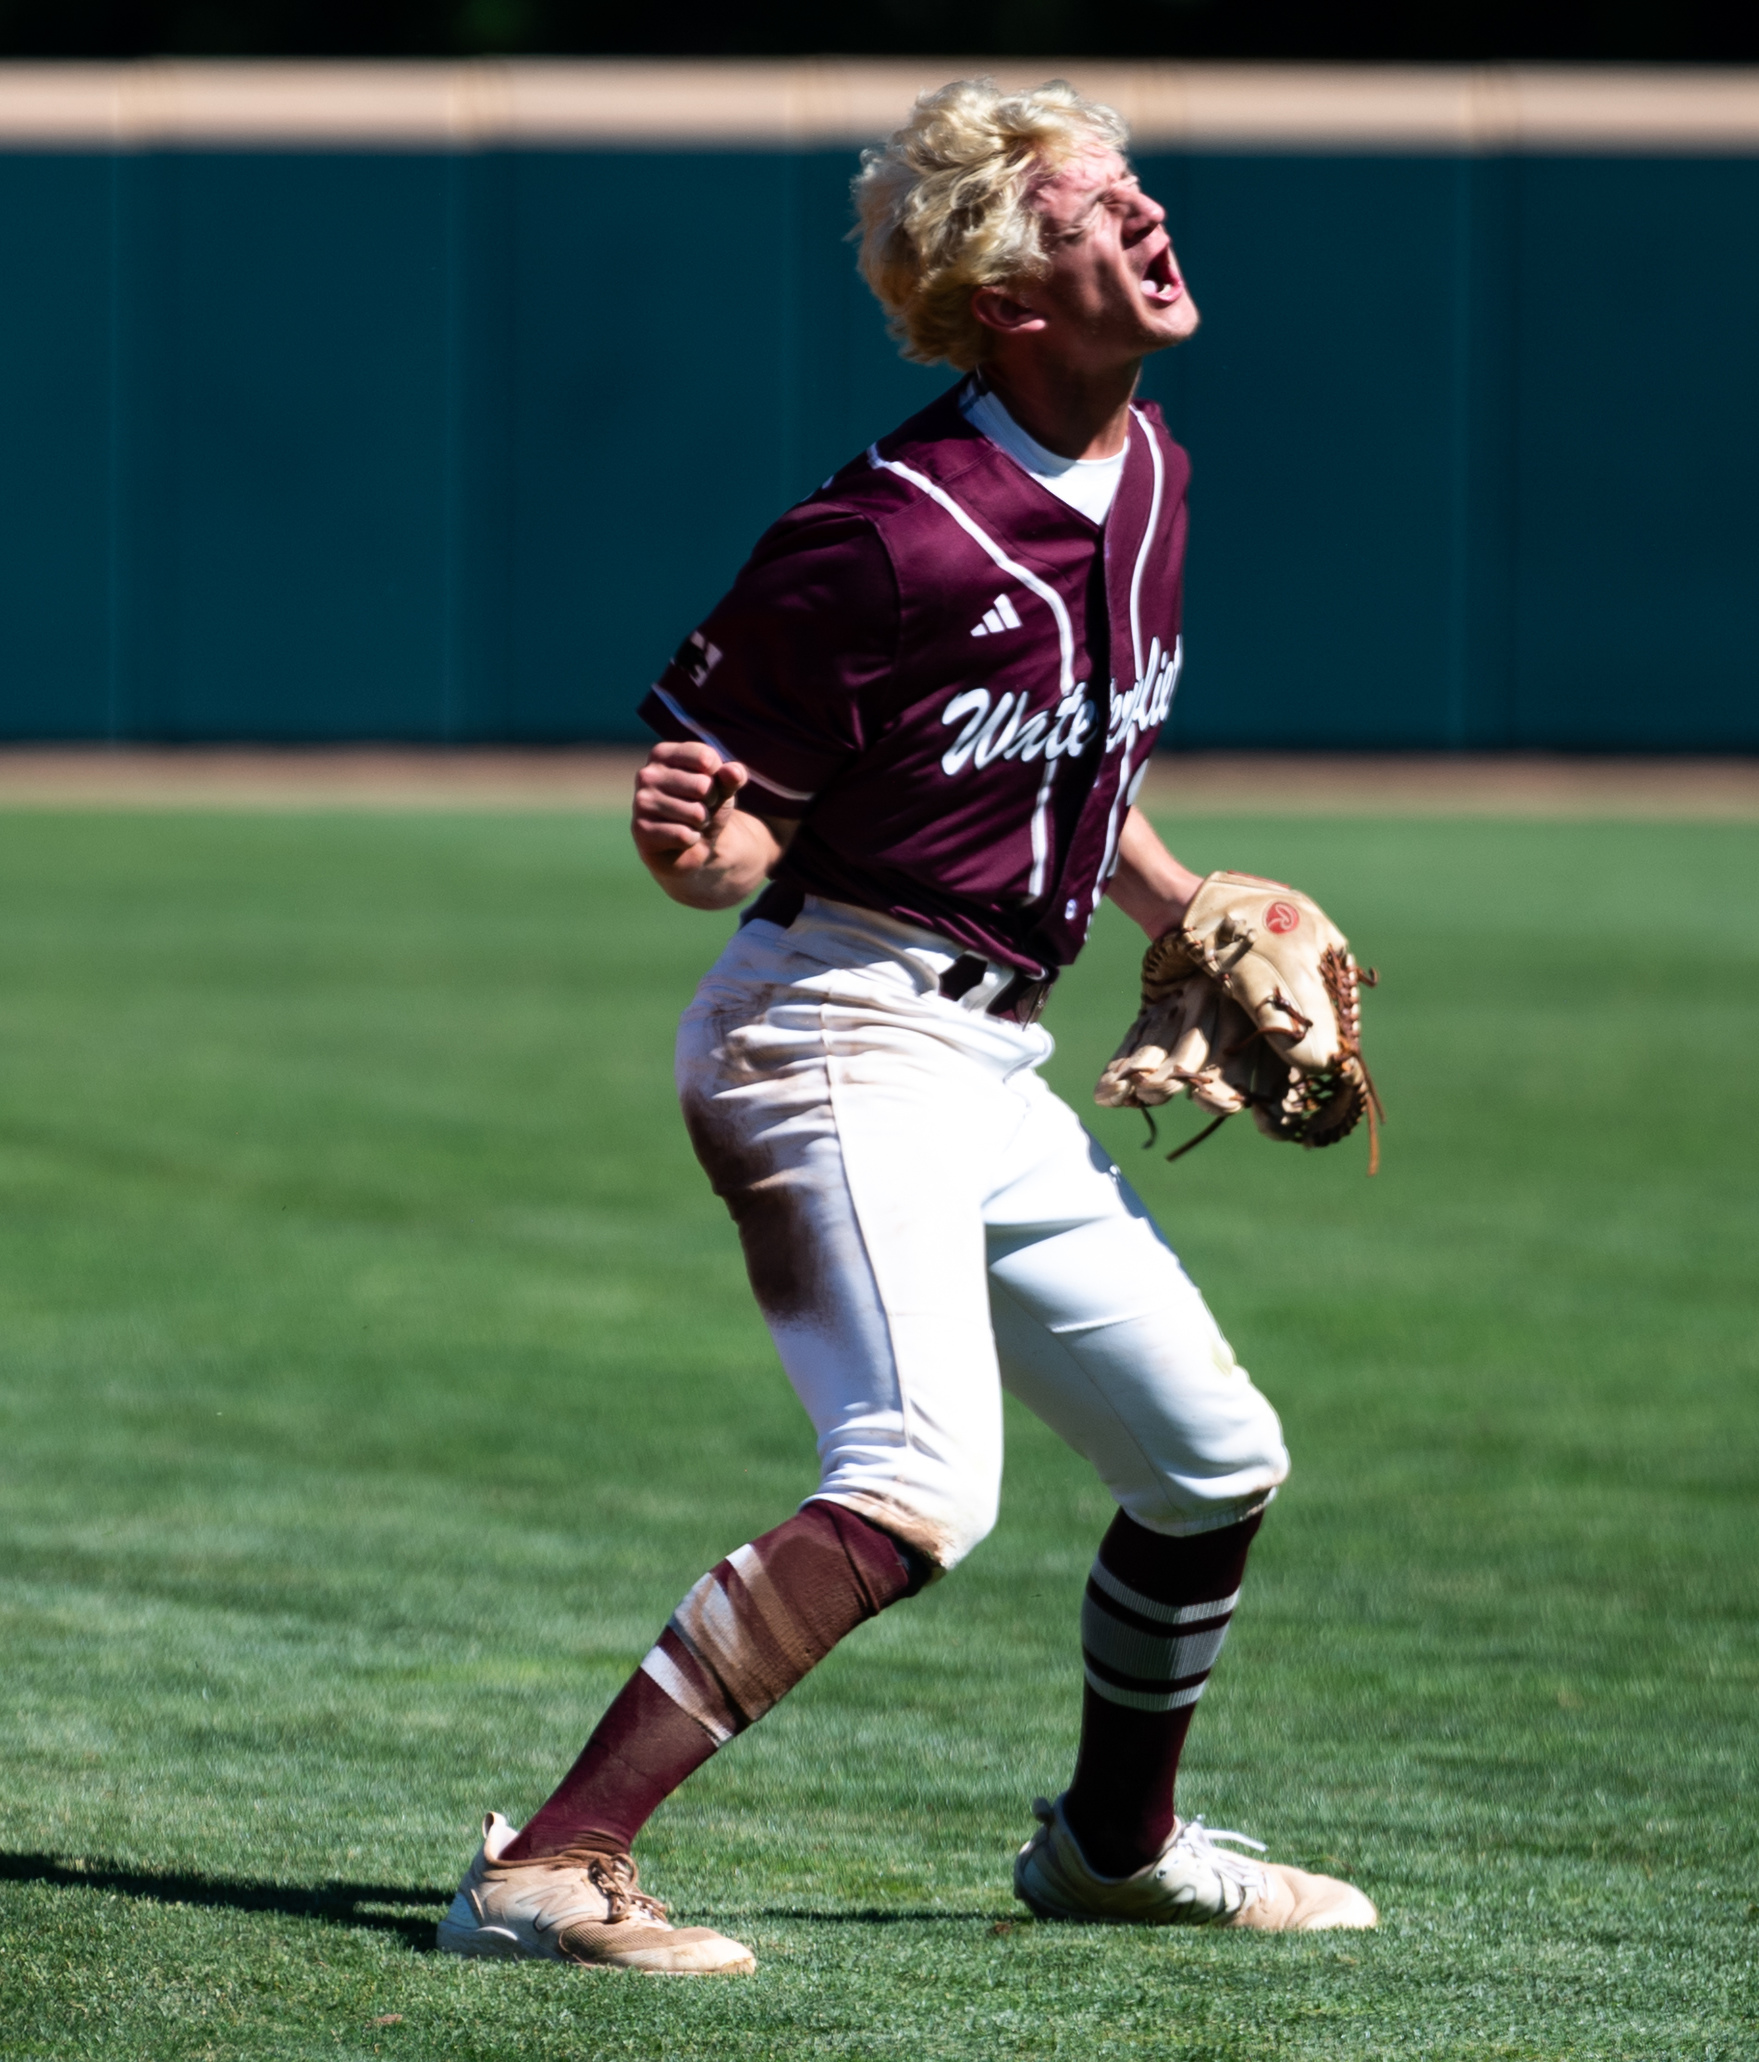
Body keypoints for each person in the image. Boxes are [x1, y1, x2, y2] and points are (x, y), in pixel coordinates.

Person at [433, 77, 1376, 1975]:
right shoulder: (884, 536)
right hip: (830, 1030)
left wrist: (1182, 907)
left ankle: (1114, 1849)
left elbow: (1081, 767)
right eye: (1095, 206)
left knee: (1215, 1458)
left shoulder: (1153, 473)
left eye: (1132, 183)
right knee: (921, 1474)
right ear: (1010, 298)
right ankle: (548, 1863)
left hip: (985, 1056)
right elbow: (739, 842)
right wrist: (696, 849)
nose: (1147, 214)